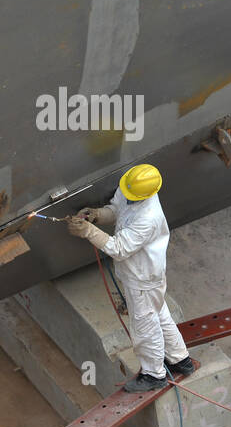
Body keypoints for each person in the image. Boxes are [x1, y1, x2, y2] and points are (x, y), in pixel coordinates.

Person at [66, 164, 196, 392]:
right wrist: (97, 215)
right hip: (140, 274)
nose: (125, 194)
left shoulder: (149, 218)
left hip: (143, 278)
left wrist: (88, 231)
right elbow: (117, 209)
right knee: (158, 314)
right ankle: (180, 360)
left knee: (144, 325)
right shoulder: (132, 187)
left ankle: (153, 374)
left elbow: (118, 248)